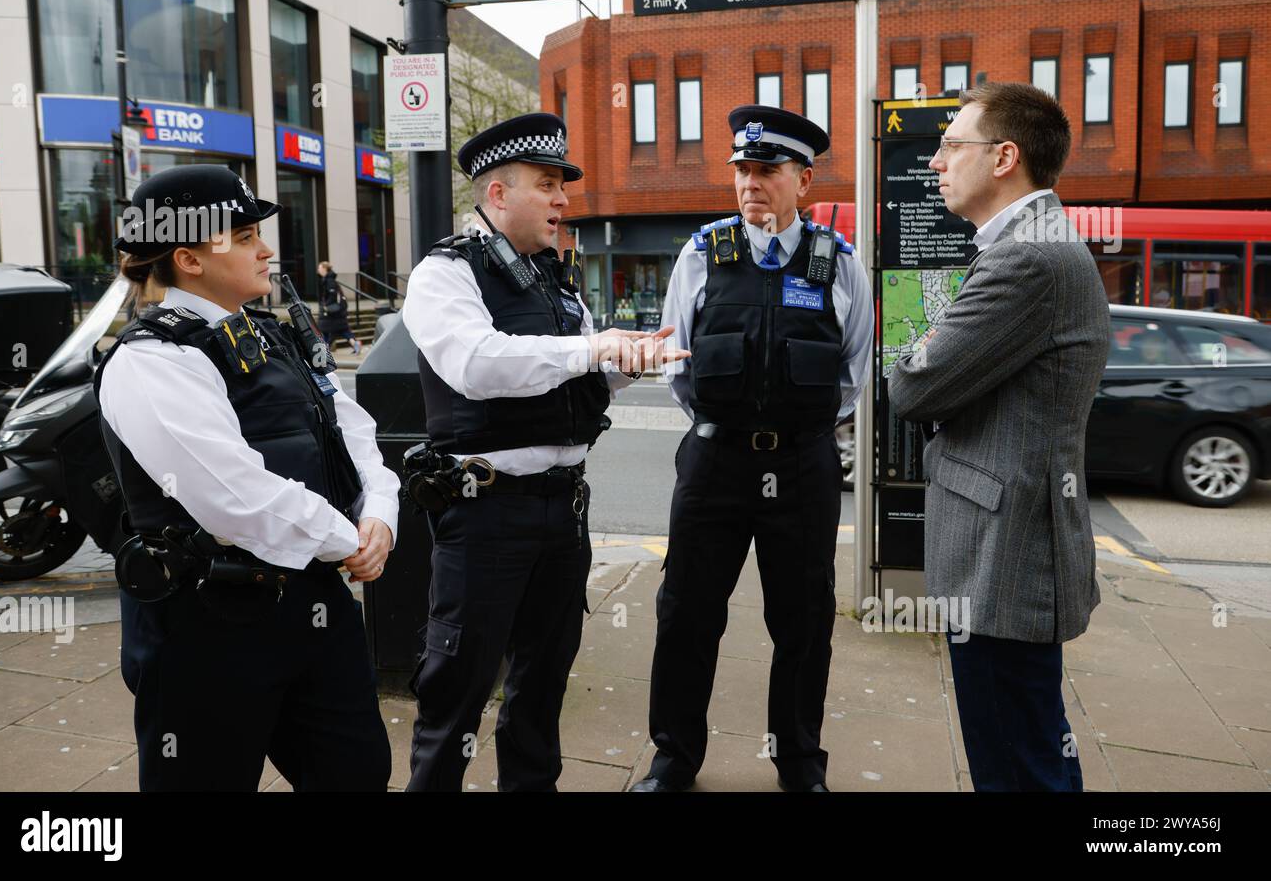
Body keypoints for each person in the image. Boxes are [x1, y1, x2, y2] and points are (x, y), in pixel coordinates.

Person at [401, 112, 687, 791]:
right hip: (486, 514)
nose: (563, 200)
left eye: (563, 186)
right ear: (497, 194)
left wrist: (628, 360)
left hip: (563, 511)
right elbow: (477, 363)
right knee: (457, 690)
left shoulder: (552, 280)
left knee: (543, 682)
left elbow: (578, 378)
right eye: (548, 185)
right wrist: (593, 346)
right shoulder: (445, 272)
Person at [94, 164, 400, 791]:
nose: (265, 250)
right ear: (188, 258)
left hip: (314, 608)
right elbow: (231, 496)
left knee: (358, 773)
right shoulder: (151, 359)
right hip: (208, 628)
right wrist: (349, 539)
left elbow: (350, 428)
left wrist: (381, 513)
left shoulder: (267, 334)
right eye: (242, 236)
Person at [631, 105, 875, 792]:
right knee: (686, 614)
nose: (750, 183)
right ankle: (673, 757)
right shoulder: (703, 254)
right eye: (741, 170)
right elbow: (677, 363)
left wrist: (795, 430)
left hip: (802, 465)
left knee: (802, 621)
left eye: (766, 171)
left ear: (803, 180)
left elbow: (853, 373)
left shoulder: (838, 263)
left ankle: (799, 761)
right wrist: (728, 425)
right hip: (716, 462)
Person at [888, 82, 1111, 791]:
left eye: (952, 144)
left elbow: (914, 386)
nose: (935, 162)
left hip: (1002, 561)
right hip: (1006, 551)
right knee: (1027, 750)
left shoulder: (1026, 259)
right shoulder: (1030, 246)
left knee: (1018, 767)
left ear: (1005, 157)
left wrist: (913, 353)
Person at [316, 260, 362, 354]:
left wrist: (325, 306)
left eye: (320, 268)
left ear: (325, 269)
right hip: (336, 313)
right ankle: (355, 344)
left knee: (325, 330)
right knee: (341, 330)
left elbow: (332, 295)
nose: (318, 270)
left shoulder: (329, 281)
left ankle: (324, 350)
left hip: (331, 312)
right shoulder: (328, 279)